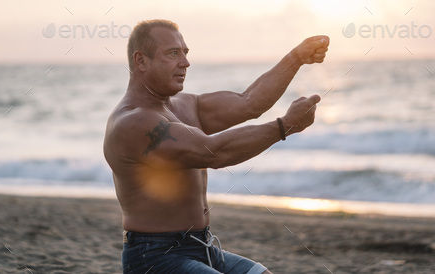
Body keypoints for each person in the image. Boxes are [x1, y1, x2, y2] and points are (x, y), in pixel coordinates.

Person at [104, 19, 329, 273]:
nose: (185, 63)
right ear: (141, 61)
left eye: (185, 53)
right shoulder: (133, 121)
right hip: (155, 256)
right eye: (173, 53)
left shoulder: (184, 105)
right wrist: (284, 126)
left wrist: (296, 57)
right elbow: (213, 152)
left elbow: (249, 102)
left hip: (203, 246)